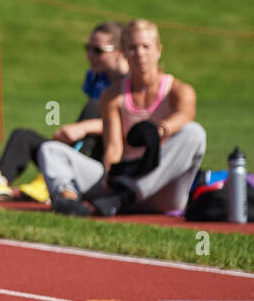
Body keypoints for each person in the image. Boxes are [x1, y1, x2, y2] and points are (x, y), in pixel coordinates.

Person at [42, 19, 207, 217]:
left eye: (146, 46)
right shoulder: (113, 95)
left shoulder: (179, 90)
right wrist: (112, 175)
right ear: (124, 53)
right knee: (50, 150)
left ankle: (126, 194)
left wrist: (157, 131)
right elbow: (113, 146)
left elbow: (185, 115)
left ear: (158, 49)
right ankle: (69, 201)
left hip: (163, 190)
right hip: (121, 182)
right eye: (133, 48)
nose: (140, 54)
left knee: (195, 132)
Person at [0, 21, 129, 203]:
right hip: (83, 149)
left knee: (93, 108)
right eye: (88, 48)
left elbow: (129, 124)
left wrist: (83, 128)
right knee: (23, 136)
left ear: (120, 52)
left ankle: (50, 181)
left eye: (98, 50)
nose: (90, 55)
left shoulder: (131, 84)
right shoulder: (95, 76)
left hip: (106, 159)